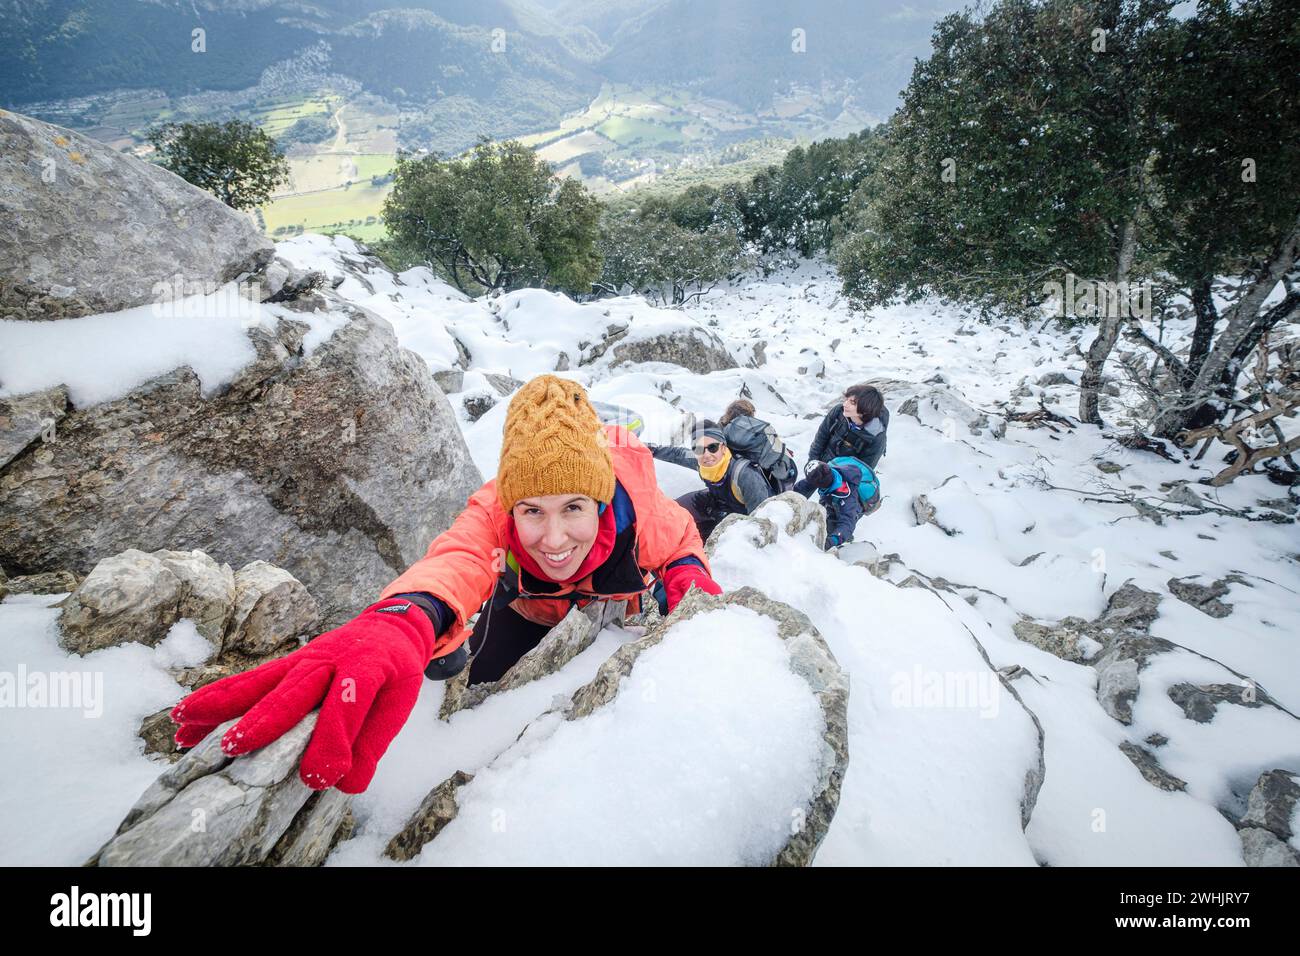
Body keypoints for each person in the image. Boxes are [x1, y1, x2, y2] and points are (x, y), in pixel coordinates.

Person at [169, 375, 723, 794]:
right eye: (531, 510)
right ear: (510, 503)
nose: (552, 538)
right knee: (472, 682)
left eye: (574, 507)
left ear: (601, 499)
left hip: (605, 608)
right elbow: (457, 558)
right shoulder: (492, 512)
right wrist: (406, 618)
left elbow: (682, 547)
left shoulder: (638, 513)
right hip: (530, 607)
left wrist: (690, 591)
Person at [646, 420, 777, 543]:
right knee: (674, 510)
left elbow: (761, 521)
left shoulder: (746, 476)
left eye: (712, 447)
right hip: (720, 502)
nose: (706, 454)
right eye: (698, 449)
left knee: (705, 537)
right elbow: (677, 454)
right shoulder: (701, 461)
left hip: (743, 515)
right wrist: (652, 450)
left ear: (724, 448)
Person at [793, 459, 881, 550]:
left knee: (834, 524)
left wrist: (831, 541)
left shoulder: (848, 498)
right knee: (826, 512)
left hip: (860, 501)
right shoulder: (825, 473)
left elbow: (847, 523)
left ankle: (844, 538)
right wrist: (789, 497)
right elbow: (806, 485)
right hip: (835, 492)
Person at [807, 383, 889, 470]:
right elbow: (821, 438)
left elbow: (864, 470)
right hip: (824, 462)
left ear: (866, 409)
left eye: (852, 403)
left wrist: (835, 479)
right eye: (847, 400)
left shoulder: (876, 437)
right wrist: (812, 464)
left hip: (845, 474)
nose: (845, 404)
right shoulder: (838, 412)